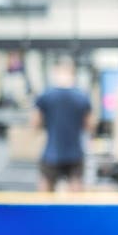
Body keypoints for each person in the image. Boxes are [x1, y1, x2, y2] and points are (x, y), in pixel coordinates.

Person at [32, 59, 94, 192]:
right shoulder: (82, 97)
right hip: (75, 153)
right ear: (73, 74)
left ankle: (43, 207)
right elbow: (90, 126)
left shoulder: (45, 96)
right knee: (76, 191)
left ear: (56, 73)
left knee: (45, 191)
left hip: (51, 152)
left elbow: (36, 124)